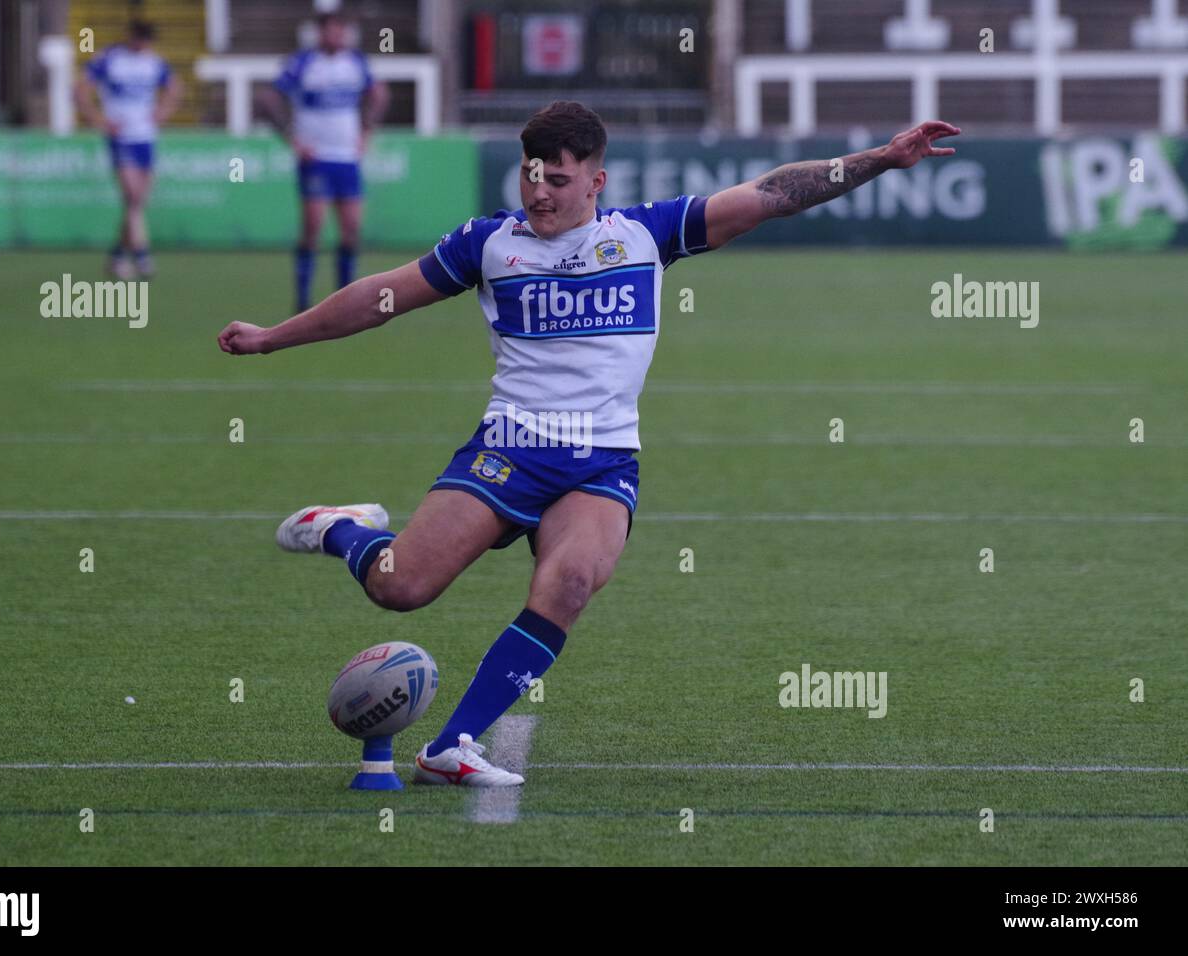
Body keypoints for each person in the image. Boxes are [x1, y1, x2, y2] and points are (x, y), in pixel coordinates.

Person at [218, 101, 960, 787]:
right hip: (508, 450)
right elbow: (380, 297)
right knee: (401, 589)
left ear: (595, 180)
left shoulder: (646, 235)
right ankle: (341, 530)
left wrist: (882, 159)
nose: (539, 193)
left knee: (570, 584)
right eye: (530, 176)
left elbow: (772, 192)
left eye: (558, 179)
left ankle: (451, 746)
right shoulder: (488, 244)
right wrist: (273, 339)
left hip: (602, 460)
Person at [260, 10, 389, 311]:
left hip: (347, 159)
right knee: (313, 229)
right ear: (319, 33)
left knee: (352, 230)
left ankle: (345, 302)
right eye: (329, 30)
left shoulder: (356, 62)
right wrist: (291, 137)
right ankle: (303, 301)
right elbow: (268, 98)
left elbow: (380, 94)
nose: (335, 36)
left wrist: (367, 129)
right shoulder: (303, 62)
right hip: (316, 159)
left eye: (339, 30)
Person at [75, 19, 181, 279]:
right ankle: (143, 258)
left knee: (136, 202)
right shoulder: (110, 59)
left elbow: (175, 89)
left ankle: (117, 256)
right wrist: (98, 120)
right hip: (121, 137)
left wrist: (163, 113)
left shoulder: (154, 62)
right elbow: (80, 90)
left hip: (145, 136)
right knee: (133, 197)